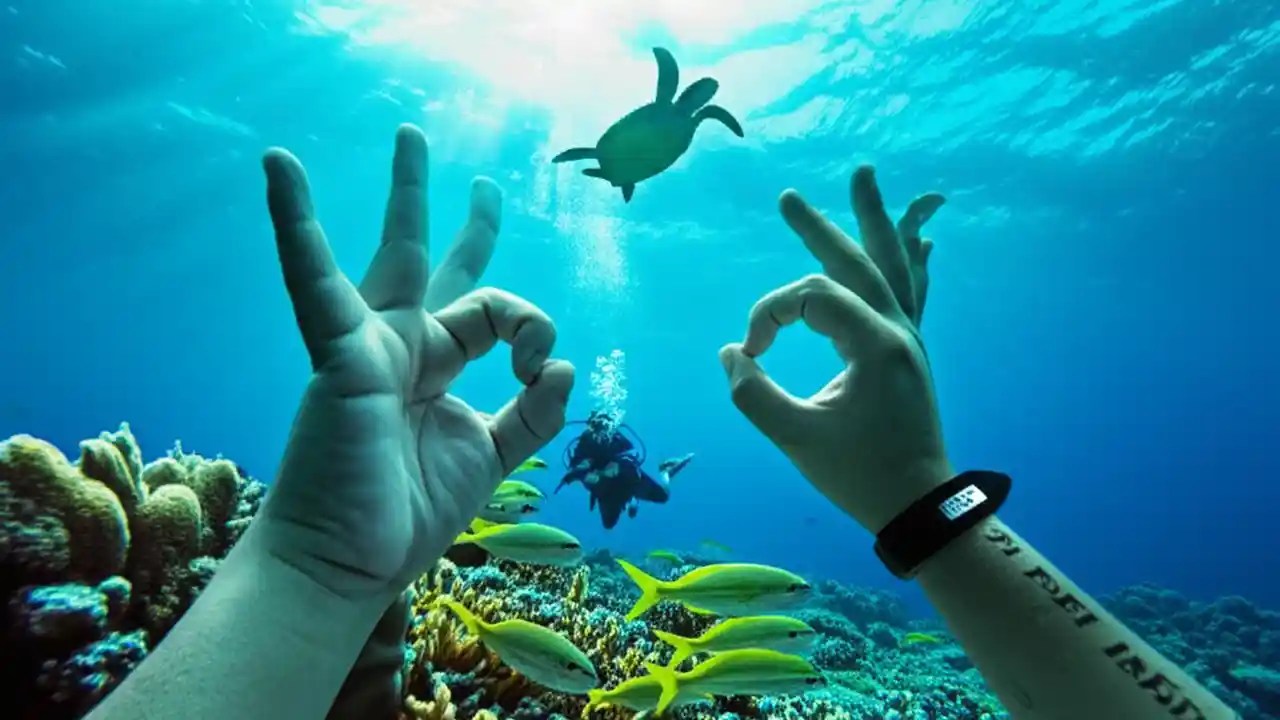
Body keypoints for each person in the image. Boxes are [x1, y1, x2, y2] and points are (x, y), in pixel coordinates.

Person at [84, 124, 1241, 720]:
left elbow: (607, 470)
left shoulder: (589, 452)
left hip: (585, 488)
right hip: (597, 486)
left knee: (646, 484)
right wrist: (915, 490)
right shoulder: (572, 449)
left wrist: (309, 574)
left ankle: (662, 470)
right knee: (616, 484)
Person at [556, 409, 695, 528]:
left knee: (663, 496)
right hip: (605, 489)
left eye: (605, 424)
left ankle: (664, 471)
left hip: (629, 482)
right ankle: (631, 501)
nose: (601, 428)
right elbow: (574, 466)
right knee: (608, 524)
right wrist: (581, 474)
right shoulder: (584, 441)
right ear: (590, 425)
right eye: (596, 424)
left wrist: (620, 464)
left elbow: (635, 453)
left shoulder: (617, 437)